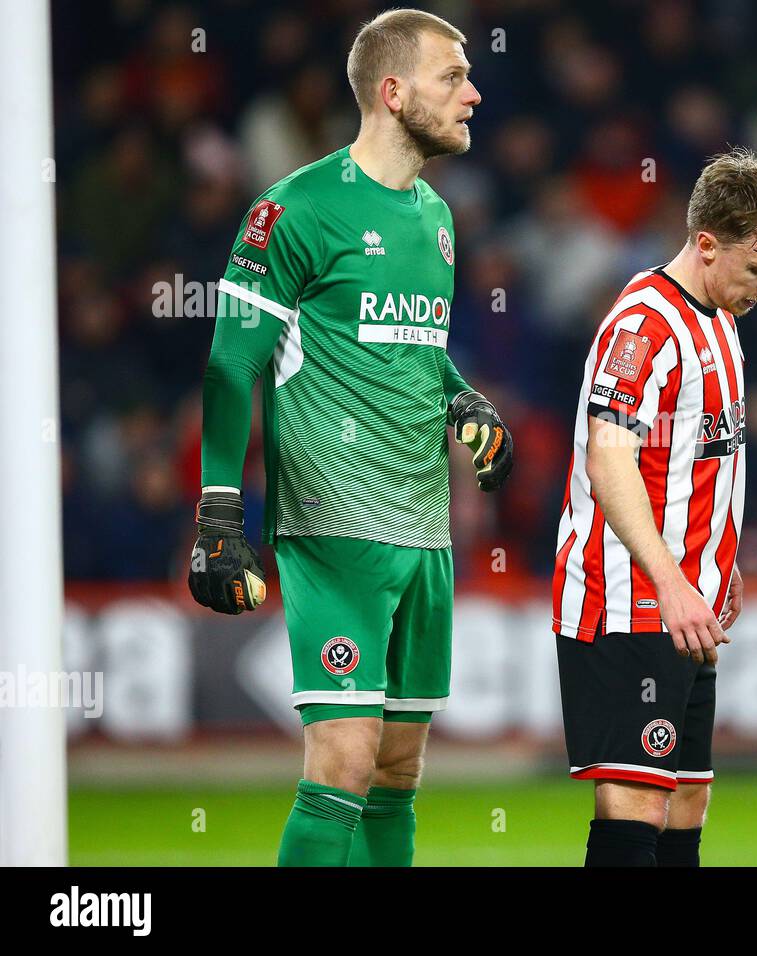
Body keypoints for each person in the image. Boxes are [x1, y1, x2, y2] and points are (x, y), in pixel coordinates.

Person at [186, 9, 513, 867]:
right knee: (344, 762)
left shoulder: (437, 218)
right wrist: (221, 507)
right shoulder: (292, 209)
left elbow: (416, 350)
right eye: (454, 77)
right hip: (334, 526)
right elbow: (230, 365)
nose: (473, 94)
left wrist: (464, 402)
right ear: (393, 91)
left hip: (424, 526)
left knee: (399, 772)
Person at [552, 147, 757, 866]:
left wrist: (716, 568)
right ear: (704, 244)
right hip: (628, 598)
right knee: (637, 799)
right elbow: (610, 457)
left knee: (685, 801)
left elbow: (706, 463)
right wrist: (671, 580)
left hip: (686, 604)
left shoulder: (720, 321)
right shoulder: (644, 327)